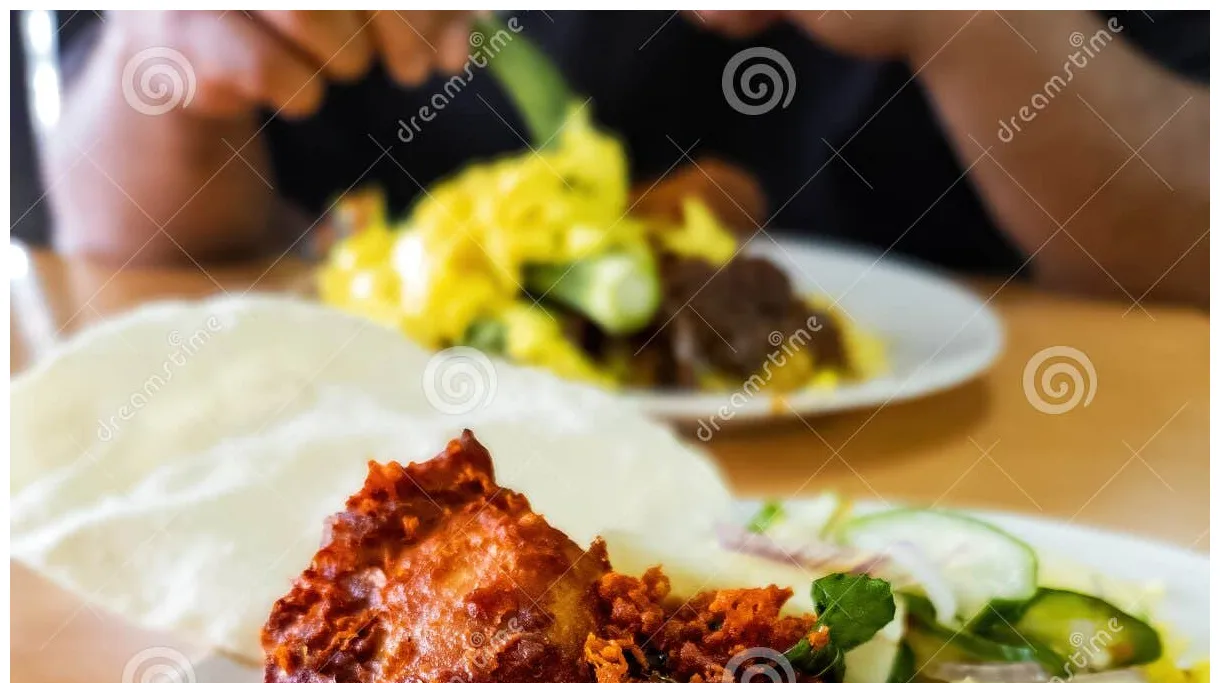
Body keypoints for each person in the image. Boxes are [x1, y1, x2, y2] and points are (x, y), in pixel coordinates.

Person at [44, 10, 1208, 305]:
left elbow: (1190, 257)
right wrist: (162, 62)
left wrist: (978, 24)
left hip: (972, 476)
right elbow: (124, 256)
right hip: (426, 482)